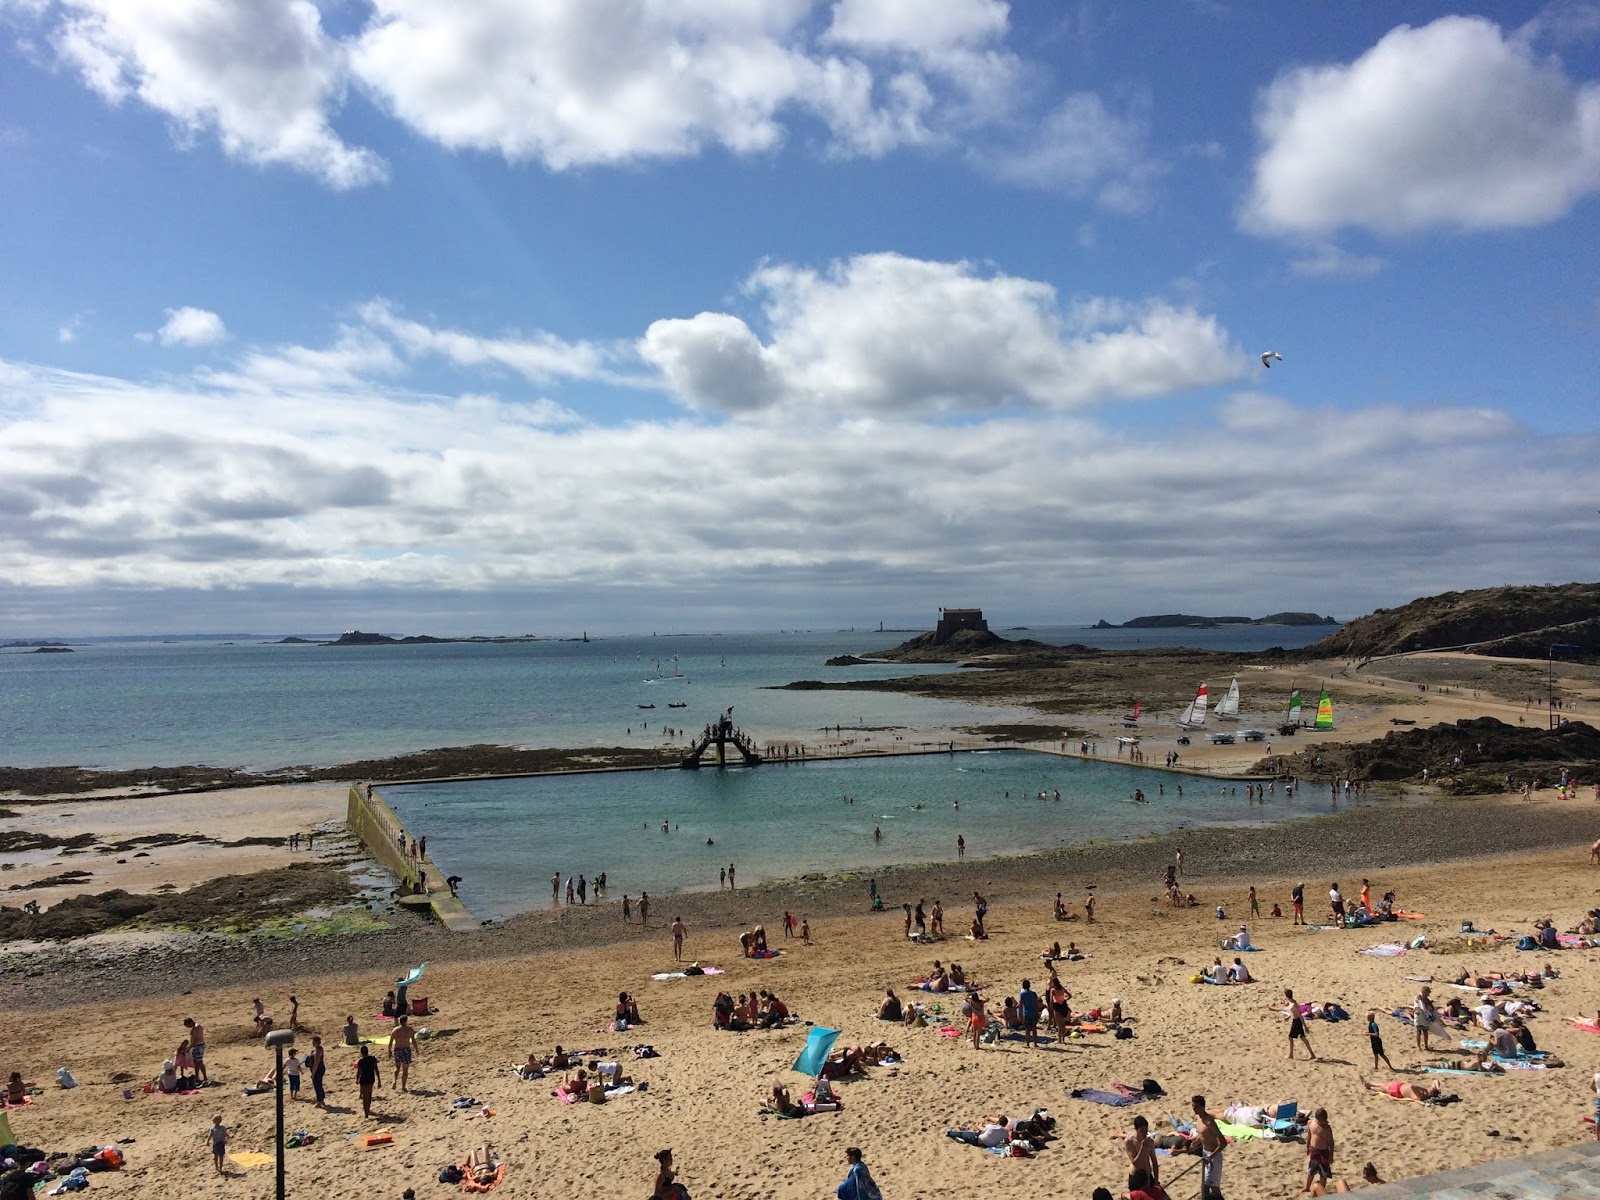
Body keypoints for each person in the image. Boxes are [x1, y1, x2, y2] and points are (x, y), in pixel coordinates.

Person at [1192, 1096, 1225, 1200]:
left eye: (1196, 1107)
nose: (1194, 1109)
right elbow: (1203, 1135)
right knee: (1205, 1186)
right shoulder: (1198, 1118)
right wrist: (1196, 1142)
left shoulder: (1209, 1122)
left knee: (1214, 1188)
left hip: (1213, 1156)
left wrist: (1211, 1156)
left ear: (1202, 1107)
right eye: (1193, 1106)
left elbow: (1223, 1142)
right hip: (1205, 1153)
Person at [1123, 1114, 1159, 1185]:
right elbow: (1135, 1162)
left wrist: (1156, 1180)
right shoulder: (1129, 1141)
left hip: (1147, 1175)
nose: (1144, 1133)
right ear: (1136, 1130)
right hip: (1136, 1176)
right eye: (1142, 1131)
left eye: (1146, 1130)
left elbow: (1154, 1162)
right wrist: (1142, 1147)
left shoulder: (1150, 1142)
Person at [1305, 1108, 1334, 1191]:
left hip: (1324, 1151)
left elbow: (1331, 1143)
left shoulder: (1327, 1128)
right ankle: (1307, 1187)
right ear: (1316, 1118)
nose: (1322, 1123)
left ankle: (1322, 1189)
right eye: (1321, 1121)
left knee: (1323, 1173)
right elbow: (1309, 1136)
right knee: (1311, 1170)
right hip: (1314, 1150)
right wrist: (1307, 1147)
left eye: (1324, 1121)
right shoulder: (1311, 1123)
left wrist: (1331, 1155)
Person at [1285, 989, 1317, 1059]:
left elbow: (1299, 1015)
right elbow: (1293, 1012)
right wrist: (1288, 1017)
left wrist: (1305, 1026)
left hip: (1297, 1022)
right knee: (1302, 1037)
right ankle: (1312, 1054)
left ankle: (1290, 1054)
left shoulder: (1293, 1004)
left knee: (1290, 1037)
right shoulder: (1291, 1002)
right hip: (1295, 1021)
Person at [1359, 1077, 1441, 1103]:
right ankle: (1370, 1083)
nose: (1429, 1088)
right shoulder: (1425, 1091)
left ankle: (1369, 1086)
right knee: (1384, 1084)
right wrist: (1437, 1088)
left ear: (1430, 1095)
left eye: (1430, 1090)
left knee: (1383, 1088)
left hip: (1397, 1091)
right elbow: (1436, 1081)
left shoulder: (1419, 1096)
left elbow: (1412, 1087)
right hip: (1399, 1085)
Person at [945, 1114, 1009, 1147]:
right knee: (972, 1135)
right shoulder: (1005, 1132)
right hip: (989, 1145)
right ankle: (964, 1141)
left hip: (978, 1141)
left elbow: (981, 1129)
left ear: (998, 1121)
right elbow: (1006, 1139)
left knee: (963, 1134)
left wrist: (977, 1125)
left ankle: (949, 1132)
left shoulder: (991, 1127)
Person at [391, 1016, 417, 1092]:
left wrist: (389, 1051)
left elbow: (390, 1042)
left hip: (397, 1049)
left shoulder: (395, 1030)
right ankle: (403, 1087)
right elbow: (413, 1040)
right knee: (405, 1070)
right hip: (406, 1049)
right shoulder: (409, 1029)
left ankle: (394, 1081)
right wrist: (416, 1049)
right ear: (405, 1021)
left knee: (397, 1067)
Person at [355, 1045, 382, 1118]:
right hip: (370, 1078)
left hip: (363, 1079)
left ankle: (366, 1112)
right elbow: (376, 1069)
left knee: (364, 1096)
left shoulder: (360, 1062)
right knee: (369, 1095)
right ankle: (368, 1109)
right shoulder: (372, 1059)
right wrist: (379, 1080)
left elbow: (359, 1072)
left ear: (361, 1053)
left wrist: (357, 1079)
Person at [183, 1017, 208, 1084]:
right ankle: (197, 1077)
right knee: (195, 1062)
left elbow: (196, 1039)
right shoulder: (195, 1027)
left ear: (190, 1023)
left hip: (198, 1046)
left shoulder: (197, 1027)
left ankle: (205, 1077)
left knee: (199, 1062)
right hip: (196, 1046)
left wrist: (189, 1047)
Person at [1018, 978, 1041, 1049]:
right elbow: (1036, 1004)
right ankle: (1035, 1043)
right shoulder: (1033, 994)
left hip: (1026, 1013)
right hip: (1033, 1012)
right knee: (1034, 1028)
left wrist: (1020, 1014)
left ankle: (1027, 1044)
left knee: (1027, 1029)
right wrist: (1037, 1012)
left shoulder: (1022, 994)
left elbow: (1021, 1005)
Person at [308, 1035, 327, 1108]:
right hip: (318, 1069)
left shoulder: (318, 1050)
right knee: (318, 1084)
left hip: (318, 1069)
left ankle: (320, 1101)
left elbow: (316, 1063)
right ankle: (321, 1100)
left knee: (317, 1085)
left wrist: (313, 1073)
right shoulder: (316, 1050)